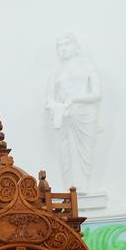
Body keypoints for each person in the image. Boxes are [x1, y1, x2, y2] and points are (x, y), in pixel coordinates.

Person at [44, 32, 103, 191]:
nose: (62, 49)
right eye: (59, 46)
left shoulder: (88, 67)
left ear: (76, 47)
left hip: (85, 116)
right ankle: (69, 187)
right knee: (66, 151)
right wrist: (56, 106)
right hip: (64, 117)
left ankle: (84, 187)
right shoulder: (55, 74)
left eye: (66, 44)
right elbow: (49, 98)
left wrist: (75, 99)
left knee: (85, 152)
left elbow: (97, 94)